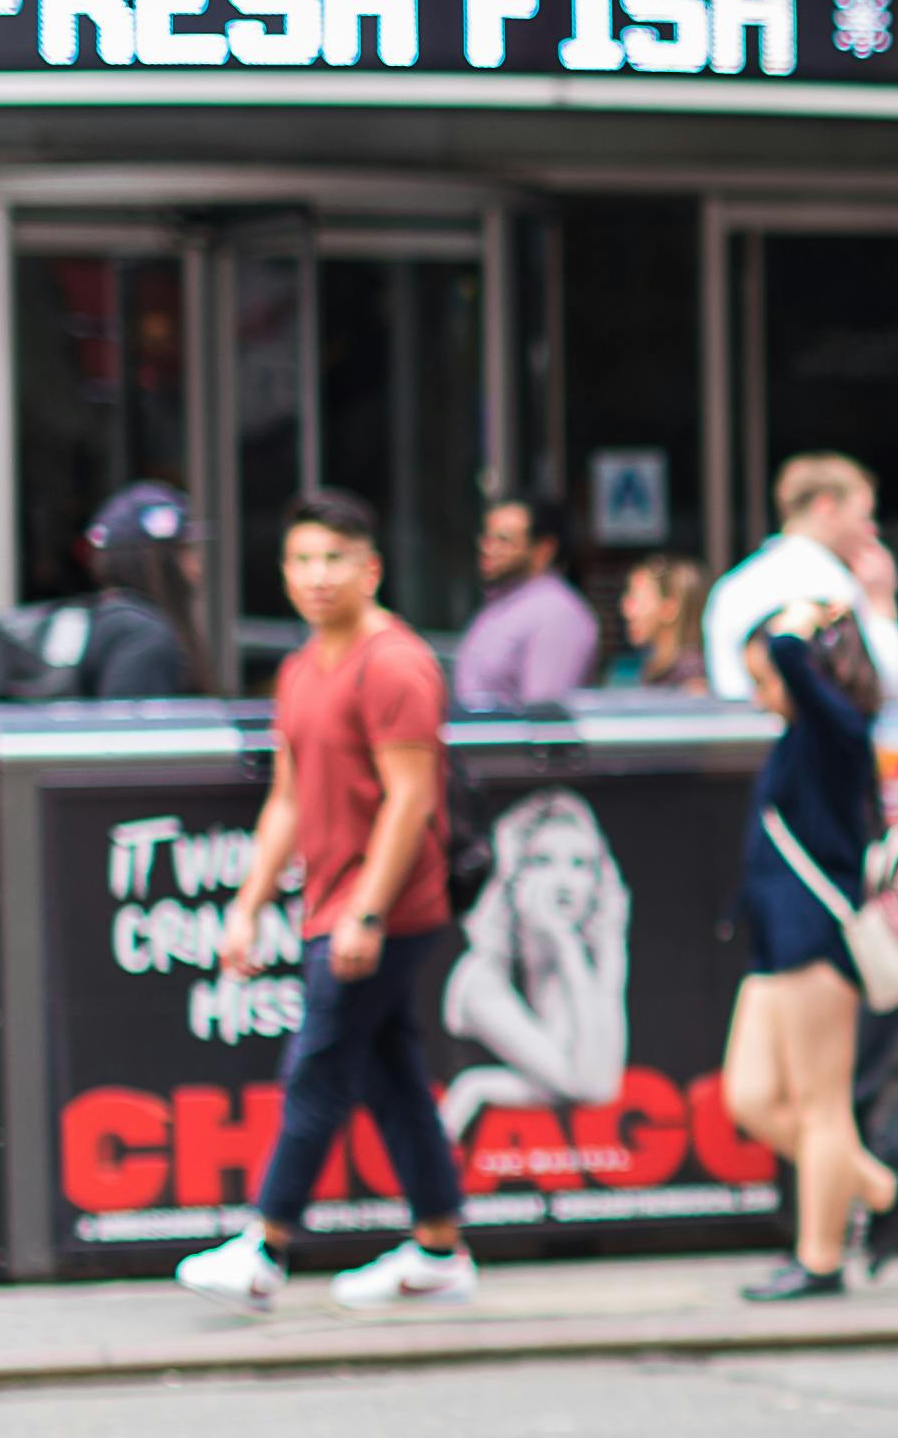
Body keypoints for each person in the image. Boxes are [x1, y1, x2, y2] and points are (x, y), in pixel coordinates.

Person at [179, 489, 476, 1314]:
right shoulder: (302, 665)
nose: (317, 576)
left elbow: (412, 802)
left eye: (334, 559)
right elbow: (286, 799)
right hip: (334, 906)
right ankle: (440, 1249)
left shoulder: (396, 665)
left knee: (318, 1064)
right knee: (391, 1079)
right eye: (303, 560)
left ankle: (266, 1245)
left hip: (385, 910)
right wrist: (246, 905)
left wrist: (368, 912)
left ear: (371, 567)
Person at [723, 598, 898, 1301]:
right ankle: (881, 1192)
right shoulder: (803, 735)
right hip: (775, 942)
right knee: (750, 1096)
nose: (759, 693)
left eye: (762, 678)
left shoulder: (838, 732)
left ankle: (820, 1259)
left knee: (822, 1105)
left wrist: (795, 623)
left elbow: (795, 663)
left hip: (815, 942)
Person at [440, 786, 634, 1133]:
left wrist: (481, 1086)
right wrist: (566, 945)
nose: (564, 883)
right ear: (513, 876)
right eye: (542, 861)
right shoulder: (480, 979)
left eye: (580, 865)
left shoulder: (580, 960)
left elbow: (603, 1083)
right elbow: (591, 1085)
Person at [701, 455, 898, 704]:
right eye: (864, 516)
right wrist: (881, 604)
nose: (872, 530)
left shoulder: (733, 585)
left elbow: (726, 685)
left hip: (748, 736)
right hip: (821, 739)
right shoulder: (833, 583)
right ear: (827, 507)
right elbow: (886, 682)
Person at [453, 490, 601, 710]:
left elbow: (544, 720)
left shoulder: (557, 614)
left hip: (509, 743)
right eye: (486, 536)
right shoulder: (501, 604)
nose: (487, 547)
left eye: (503, 539)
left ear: (544, 549)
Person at [58, 485, 209, 696]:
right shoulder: (145, 637)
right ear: (154, 563)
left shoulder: (104, 620)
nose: (196, 567)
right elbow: (131, 726)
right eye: (184, 550)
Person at [608, 555, 710, 692]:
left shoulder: (691, 679)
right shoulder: (657, 666)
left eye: (637, 599)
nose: (626, 610)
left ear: (669, 608)